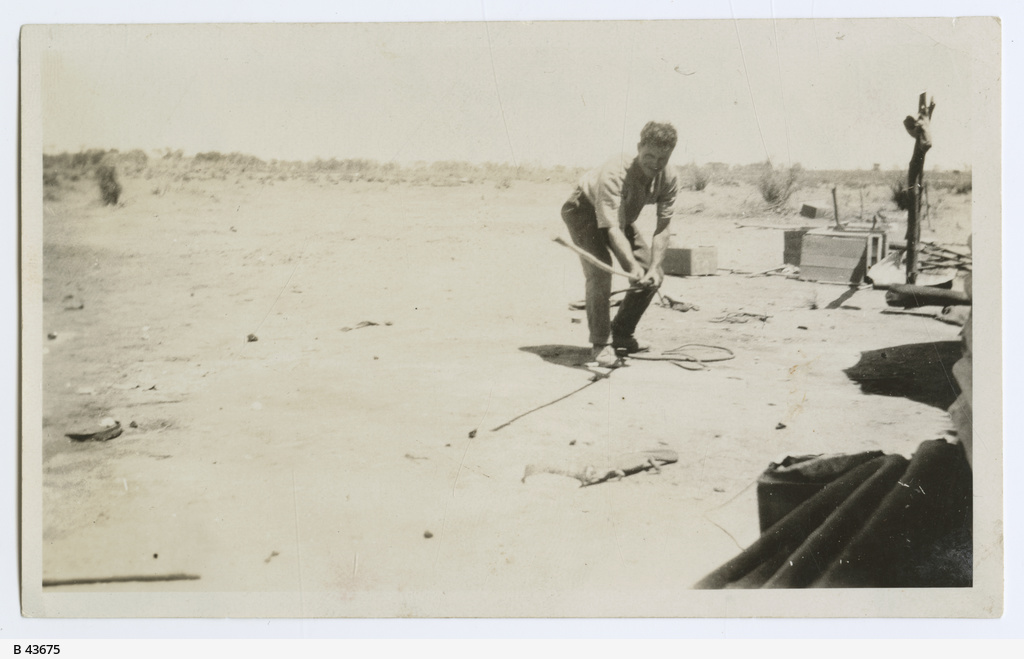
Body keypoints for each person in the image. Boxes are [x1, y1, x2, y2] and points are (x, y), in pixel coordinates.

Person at [561, 121, 680, 367]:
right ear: (638, 148)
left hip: (619, 218)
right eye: (649, 156)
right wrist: (629, 266)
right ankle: (601, 344)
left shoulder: (669, 177)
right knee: (601, 271)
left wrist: (653, 266)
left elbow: (663, 227)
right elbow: (611, 227)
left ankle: (622, 334)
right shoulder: (615, 172)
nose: (656, 164)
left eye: (663, 158)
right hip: (583, 210)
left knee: (651, 274)